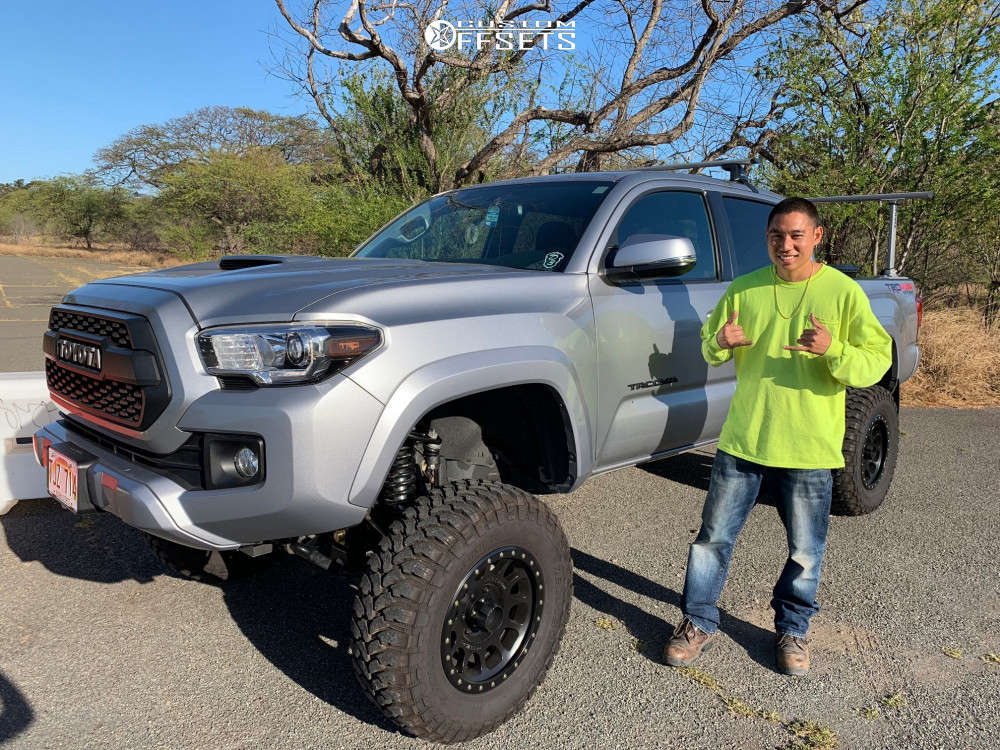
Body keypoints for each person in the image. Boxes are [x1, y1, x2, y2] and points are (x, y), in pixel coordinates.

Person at [663, 197, 893, 676]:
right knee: (712, 541)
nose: (785, 245)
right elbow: (711, 343)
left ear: (816, 236)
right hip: (745, 440)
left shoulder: (843, 293)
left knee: (806, 551)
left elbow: (877, 360)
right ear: (766, 238)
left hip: (810, 446)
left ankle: (793, 630)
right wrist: (719, 344)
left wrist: (834, 350)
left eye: (795, 236)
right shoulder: (745, 289)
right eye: (776, 236)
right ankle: (698, 620)